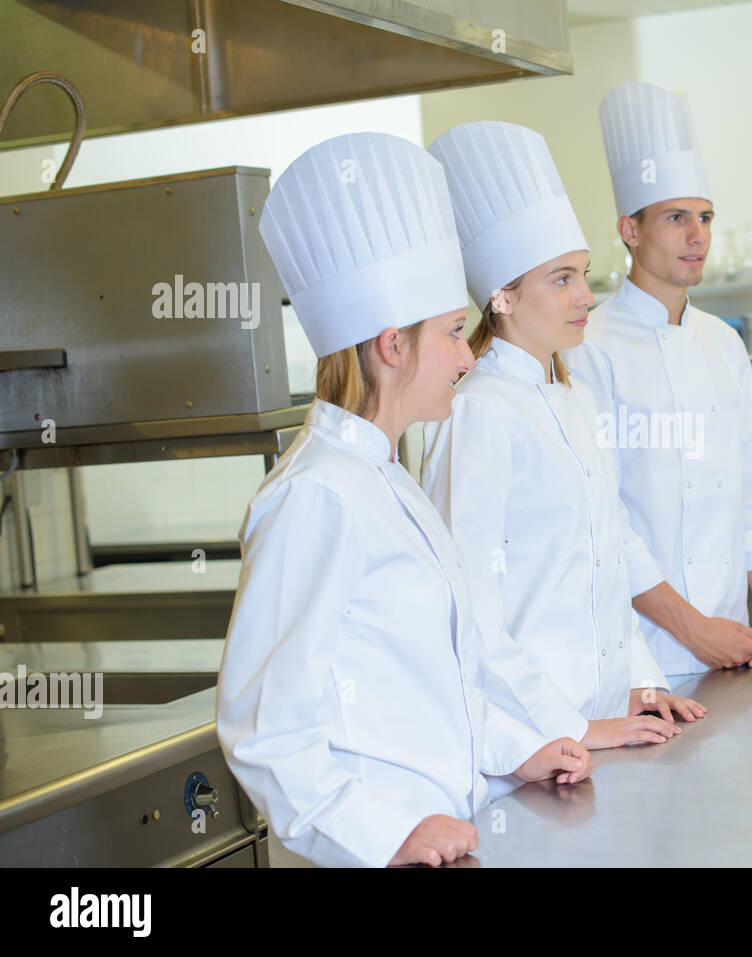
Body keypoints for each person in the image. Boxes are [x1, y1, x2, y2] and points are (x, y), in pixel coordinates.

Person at [217, 132, 594, 869]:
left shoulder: (391, 480)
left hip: (448, 841)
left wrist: (520, 750)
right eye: (453, 333)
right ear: (393, 346)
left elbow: (439, 683)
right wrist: (385, 831)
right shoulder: (314, 497)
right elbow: (263, 731)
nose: (466, 354)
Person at [422, 121, 705, 732]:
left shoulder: (570, 399)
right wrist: (572, 728)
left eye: (583, 274)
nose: (586, 297)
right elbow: (468, 604)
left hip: (599, 724)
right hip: (534, 742)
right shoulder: (479, 411)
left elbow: (604, 564)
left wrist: (639, 684)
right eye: (562, 279)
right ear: (502, 298)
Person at [563, 81, 752, 678]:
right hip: (639, 658)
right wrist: (694, 631)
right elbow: (602, 520)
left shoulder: (723, 342)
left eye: (706, 218)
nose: (698, 236)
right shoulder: (589, 346)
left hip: (730, 644)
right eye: (676, 218)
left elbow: (751, 489)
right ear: (630, 230)